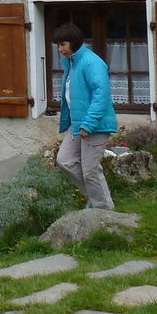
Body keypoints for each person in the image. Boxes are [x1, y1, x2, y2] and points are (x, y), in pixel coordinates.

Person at [53, 21, 118, 210]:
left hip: (95, 126)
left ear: (74, 42)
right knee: (64, 160)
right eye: (58, 45)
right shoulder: (72, 63)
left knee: (90, 170)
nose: (60, 49)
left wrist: (88, 124)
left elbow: (101, 95)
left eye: (63, 44)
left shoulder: (92, 63)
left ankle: (104, 211)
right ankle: (95, 198)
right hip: (77, 125)